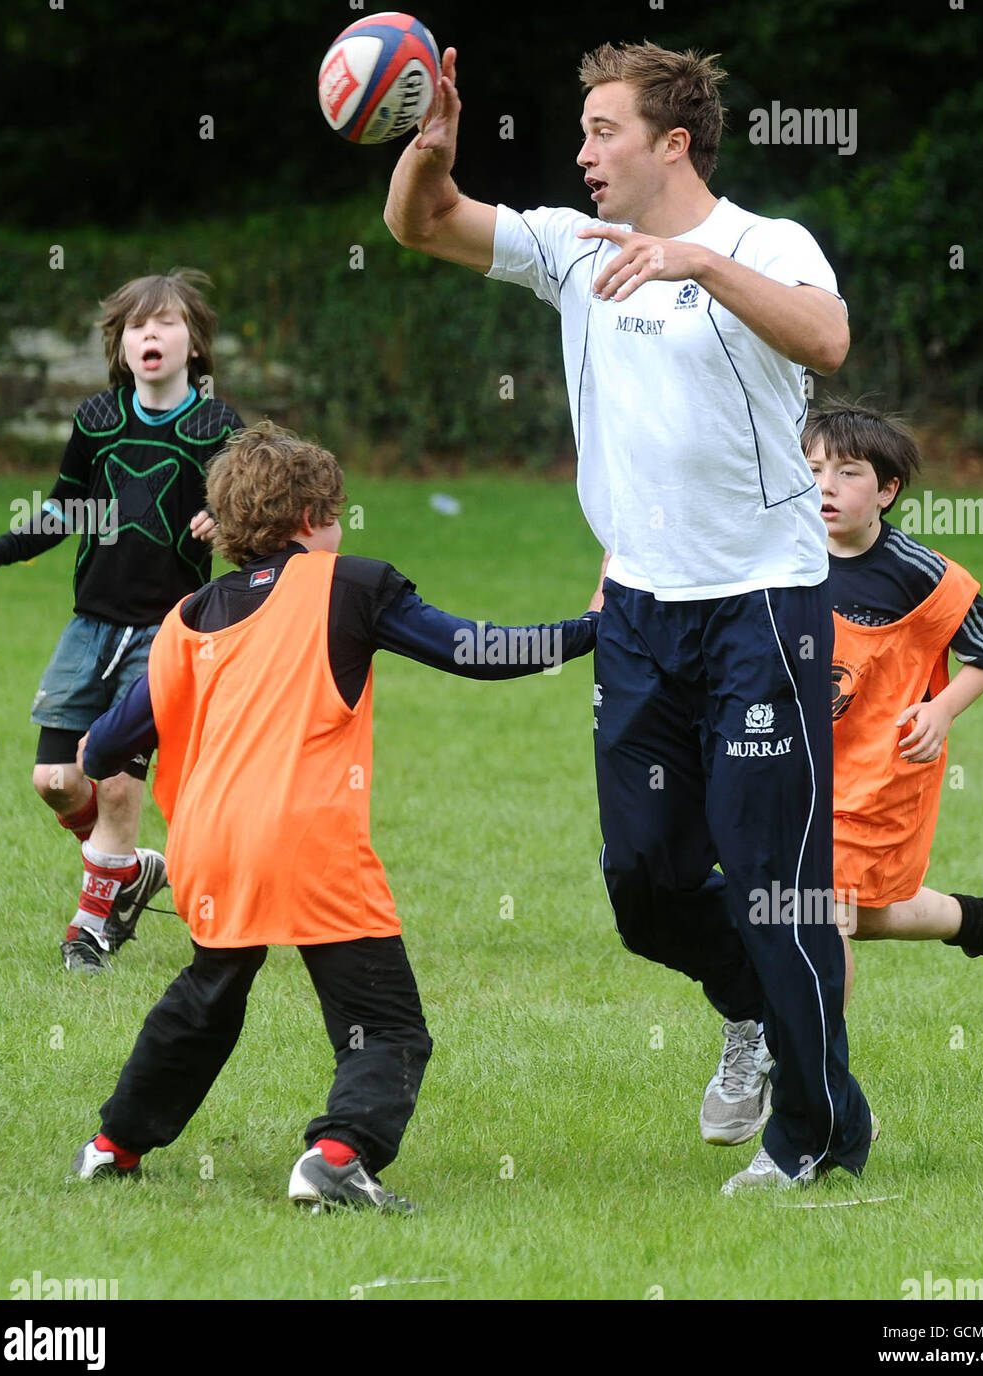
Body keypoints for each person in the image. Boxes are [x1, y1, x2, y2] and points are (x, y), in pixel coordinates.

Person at [385, 41, 871, 1192]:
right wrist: (427, 155)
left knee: (769, 881)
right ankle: (753, 1004)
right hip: (640, 615)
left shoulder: (761, 244)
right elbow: (423, 225)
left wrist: (693, 263)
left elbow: (826, 340)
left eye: (602, 130)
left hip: (762, 609)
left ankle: (812, 1135)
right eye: (581, 132)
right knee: (642, 888)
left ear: (671, 143)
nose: (581, 151)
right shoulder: (570, 244)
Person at [69, 420, 601, 1210]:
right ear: (313, 518)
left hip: (210, 844)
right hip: (305, 840)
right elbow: (481, 653)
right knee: (387, 1028)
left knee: (208, 995)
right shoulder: (349, 584)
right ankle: (336, 1157)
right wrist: (597, 623)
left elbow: (105, 746)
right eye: (335, 512)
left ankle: (112, 1146)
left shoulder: (187, 619)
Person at [0, 269, 242, 974]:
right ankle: (128, 870)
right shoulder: (97, 421)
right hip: (90, 627)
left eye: (168, 323)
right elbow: (64, 508)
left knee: (116, 781)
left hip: (166, 633)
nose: (152, 334)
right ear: (120, 348)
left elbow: (251, 518)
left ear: (195, 344)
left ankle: (89, 933)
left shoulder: (217, 427)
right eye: (137, 327)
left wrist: (226, 518)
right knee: (55, 781)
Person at [803, 402, 983, 1010]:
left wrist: (943, 710)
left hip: (881, 775)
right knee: (849, 912)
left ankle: (814, 1082)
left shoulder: (916, 573)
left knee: (820, 916)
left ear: (887, 490)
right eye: (815, 468)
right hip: (804, 770)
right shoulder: (787, 554)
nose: (826, 486)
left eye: (848, 472)